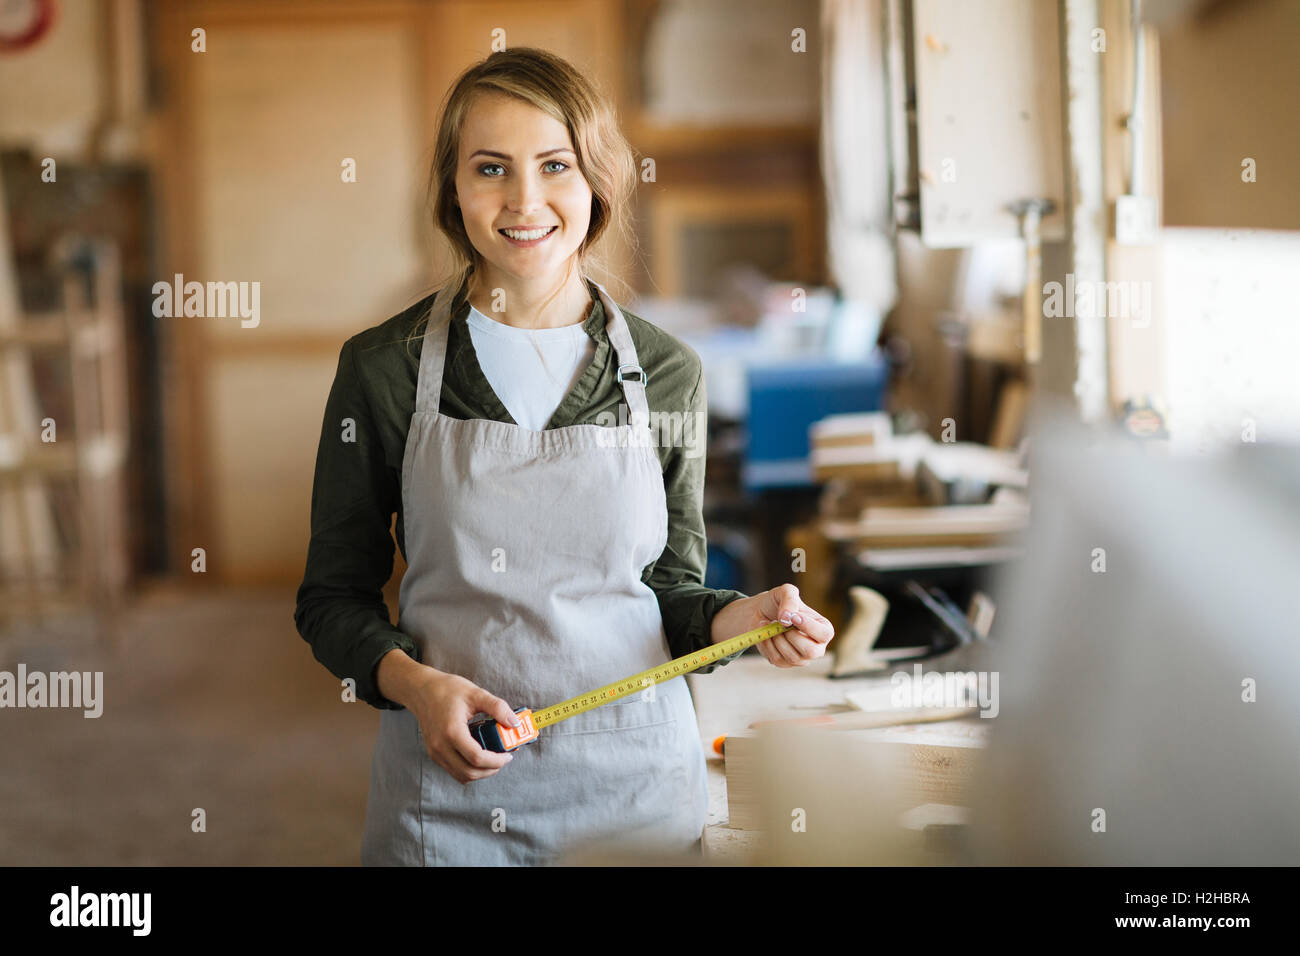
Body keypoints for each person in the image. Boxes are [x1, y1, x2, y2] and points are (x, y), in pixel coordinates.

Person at [294, 47, 834, 866]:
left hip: (635, 796)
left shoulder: (667, 373)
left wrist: (744, 620)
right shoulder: (385, 367)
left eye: (556, 165)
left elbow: (671, 594)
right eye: (490, 168)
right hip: (448, 801)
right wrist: (416, 684)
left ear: (597, 183)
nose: (525, 200)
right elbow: (333, 598)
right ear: (451, 188)